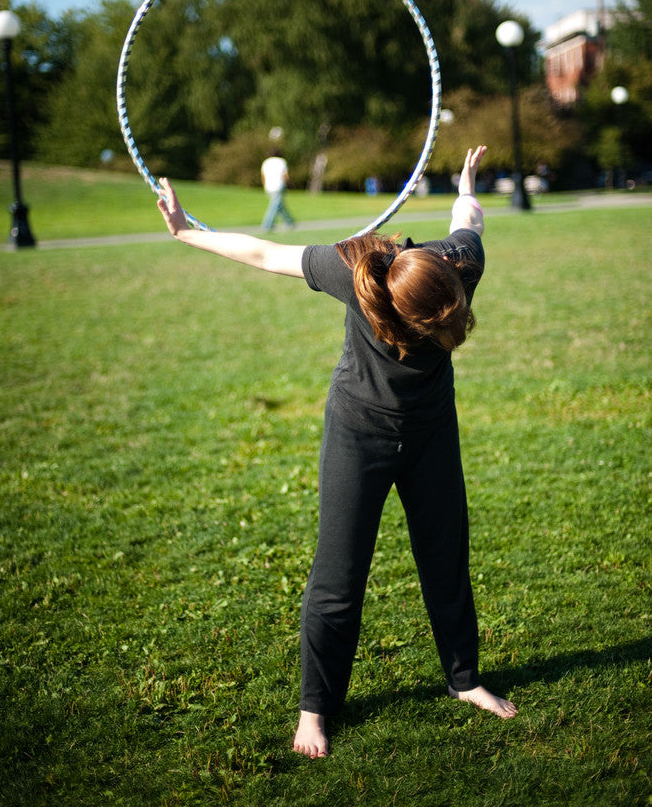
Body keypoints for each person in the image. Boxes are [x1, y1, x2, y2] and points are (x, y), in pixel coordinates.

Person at [156, 145, 517, 760]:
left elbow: (471, 218)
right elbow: (266, 254)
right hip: (358, 432)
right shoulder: (356, 274)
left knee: (445, 553)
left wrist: (466, 182)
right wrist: (187, 233)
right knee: (338, 575)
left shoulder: (460, 264)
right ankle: (315, 710)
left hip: (431, 431)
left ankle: (465, 680)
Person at [261, 147, 295, 231]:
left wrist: (264, 186)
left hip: (269, 187)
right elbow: (285, 175)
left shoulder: (266, 162)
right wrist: (288, 184)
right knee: (275, 206)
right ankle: (267, 225)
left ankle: (289, 222)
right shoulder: (282, 161)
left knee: (278, 205)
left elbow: (263, 176)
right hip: (279, 186)